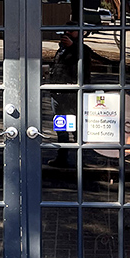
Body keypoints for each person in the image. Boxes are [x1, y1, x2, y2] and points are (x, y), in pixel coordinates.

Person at [48, 23, 92, 167]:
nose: (67, 33)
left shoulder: (82, 50)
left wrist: (72, 46)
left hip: (73, 95)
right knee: (61, 129)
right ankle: (62, 158)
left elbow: (82, 67)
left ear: (80, 33)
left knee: (77, 128)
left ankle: (80, 159)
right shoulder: (62, 49)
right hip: (58, 94)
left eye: (71, 31)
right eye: (65, 31)